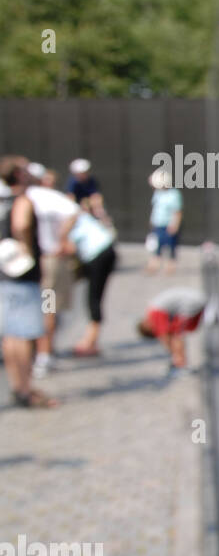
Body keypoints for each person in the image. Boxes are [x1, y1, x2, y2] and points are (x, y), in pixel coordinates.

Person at [0, 156, 56, 408]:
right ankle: (26, 388)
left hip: (4, 273)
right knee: (23, 334)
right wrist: (26, 251)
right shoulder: (23, 200)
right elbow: (21, 224)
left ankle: (17, 386)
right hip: (21, 273)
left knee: (10, 335)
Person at [25, 171, 80, 374]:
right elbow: (73, 211)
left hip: (34, 262)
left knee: (44, 307)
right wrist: (63, 238)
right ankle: (44, 353)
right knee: (47, 308)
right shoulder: (44, 196)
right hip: (45, 261)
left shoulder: (33, 196)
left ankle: (42, 353)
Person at [60, 208, 117, 357]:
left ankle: (90, 341)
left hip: (98, 255)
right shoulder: (74, 214)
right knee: (94, 298)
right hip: (103, 251)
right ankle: (90, 339)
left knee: (93, 298)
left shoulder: (66, 219)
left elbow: (69, 248)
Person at [138, 287, 207, 376]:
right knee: (177, 333)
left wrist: (173, 354)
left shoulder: (154, 313)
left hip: (193, 302)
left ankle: (180, 365)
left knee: (177, 335)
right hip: (196, 299)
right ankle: (181, 363)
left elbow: (164, 336)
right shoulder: (153, 307)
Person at [146, 168, 183, 274]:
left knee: (171, 247)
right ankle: (154, 265)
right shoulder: (158, 192)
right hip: (158, 224)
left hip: (169, 225)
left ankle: (170, 266)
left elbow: (177, 212)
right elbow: (155, 208)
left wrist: (175, 225)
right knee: (157, 247)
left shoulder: (174, 194)